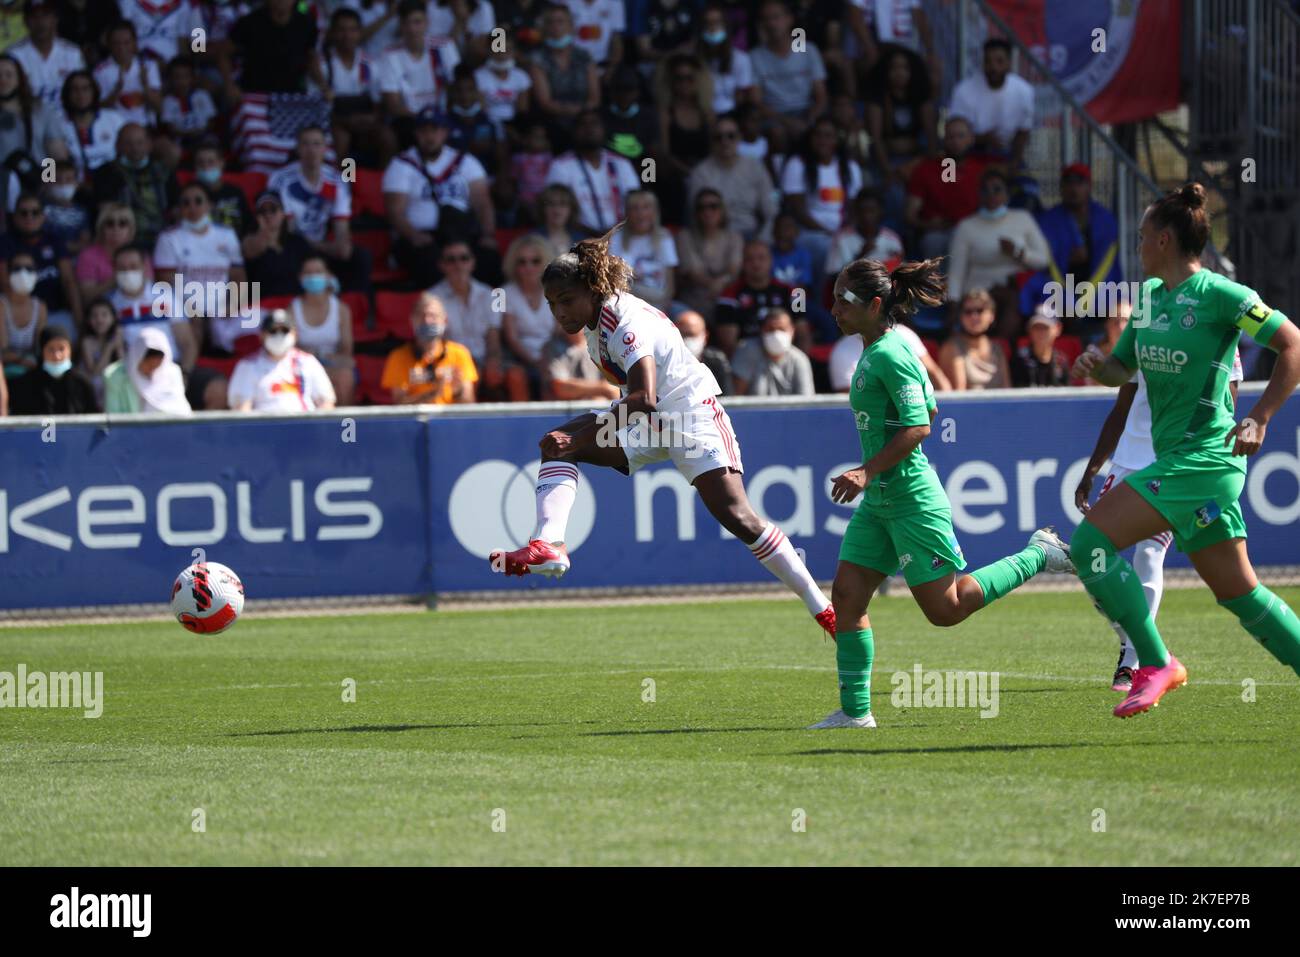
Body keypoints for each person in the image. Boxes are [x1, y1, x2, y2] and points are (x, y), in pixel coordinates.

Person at [490, 227, 838, 642]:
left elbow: (644, 397)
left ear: (590, 289)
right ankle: (549, 545)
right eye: (551, 304)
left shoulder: (622, 319)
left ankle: (824, 609)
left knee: (738, 517)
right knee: (556, 443)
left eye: (565, 300)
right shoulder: (592, 323)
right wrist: (583, 436)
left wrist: (591, 432)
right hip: (645, 423)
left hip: (690, 417)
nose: (559, 312)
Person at [808, 257, 1073, 729]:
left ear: (873, 305)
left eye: (843, 300)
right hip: (881, 503)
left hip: (909, 497)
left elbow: (920, 424)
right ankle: (855, 714)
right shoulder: (874, 350)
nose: (833, 309)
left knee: (946, 611)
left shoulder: (890, 353)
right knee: (847, 598)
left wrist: (866, 472)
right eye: (832, 298)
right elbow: (929, 400)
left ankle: (1038, 554)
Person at [1070, 182, 1300, 718]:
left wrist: (1260, 417)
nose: (1139, 246)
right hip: (1180, 463)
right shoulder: (1149, 298)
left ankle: (1156, 661)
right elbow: (1120, 371)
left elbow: (1292, 344)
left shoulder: (1225, 296)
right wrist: (1095, 366)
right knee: (1240, 593)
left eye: (1145, 237)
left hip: (1204, 460)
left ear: (1166, 241)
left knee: (1088, 546)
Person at [1077, 316, 1243, 691]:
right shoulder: (1148, 331)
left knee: (1149, 556)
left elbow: (1228, 404)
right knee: (1091, 558)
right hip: (1129, 461)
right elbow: (1121, 409)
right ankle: (1133, 633)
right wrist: (1092, 470)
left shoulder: (1220, 334)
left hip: (1177, 465)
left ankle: (1136, 659)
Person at [381, 106, 495, 287]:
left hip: (460, 233)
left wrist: (488, 234)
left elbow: (483, 203)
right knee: (432, 261)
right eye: (424, 131)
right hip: (423, 237)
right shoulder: (402, 164)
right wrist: (413, 235)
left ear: (445, 133)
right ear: (416, 134)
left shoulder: (465, 161)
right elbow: (395, 212)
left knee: (489, 257)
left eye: (435, 130)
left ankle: (486, 312)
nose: (429, 136)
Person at [1020, 163, 1124, 339]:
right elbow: (1045, 262)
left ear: (1089, 186)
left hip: (1098, 287)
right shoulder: (1048, 220)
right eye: (1068, 183)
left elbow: (1109, 264)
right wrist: (1067, 257)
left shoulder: (1105, 219)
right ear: (1061, 188)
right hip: (1057, 285)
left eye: (1079, 183)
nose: (1073, 189)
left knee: (1120, 308)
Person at [946, 167, 1050, 339]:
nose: (991, 195)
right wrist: (954, 304)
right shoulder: (966, 226)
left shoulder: (1023, 218)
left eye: (997, 189)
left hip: (1018, 288)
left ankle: (1002, 349)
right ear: (979, 194)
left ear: (1007, 193)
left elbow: (1044, 260)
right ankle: (1000, 348)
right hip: (979, 291)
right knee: (1008, 302)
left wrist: (1018, 253)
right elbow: (956, 272)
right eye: (985, 190)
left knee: (1017, 300)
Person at [267, 125, 369, 294]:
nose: (311, 150)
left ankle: (355, 307)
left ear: (325, 148)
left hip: (320, 245)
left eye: (316, 144)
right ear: (298, 149)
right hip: (291, 245)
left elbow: (341, 226)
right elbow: (288, 231)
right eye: (306, 144)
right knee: (292, 250)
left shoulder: (337, 180)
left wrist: (342, 245)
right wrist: (325, 248)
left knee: (360, 257)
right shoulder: (281, 179)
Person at [153, 181, 247, 356]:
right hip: (185, 310)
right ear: (179, 209)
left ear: (209, 205)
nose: (192, 207)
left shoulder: (227, 235)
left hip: (223, 308)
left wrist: (232, 306)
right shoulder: (168, 238)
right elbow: (165, 285)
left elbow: (239, 277)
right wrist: (192, 311)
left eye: (198, 201)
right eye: (186, 203)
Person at [779, 115, 865, 288]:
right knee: (828, 249)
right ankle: (822, 301)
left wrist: (845, 232)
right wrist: (829, 232)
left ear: (836, 140)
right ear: (810, 138)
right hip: (809, 232)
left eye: (828, 136)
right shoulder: (798, 164)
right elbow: (798, 211)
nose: (823, 140)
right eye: (818, 135)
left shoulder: (849, 167)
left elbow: (856, 208)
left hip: (842, 231)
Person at [430, 238, 519, 400]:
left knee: (516, 375)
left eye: (464, 258)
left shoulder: (492, 294)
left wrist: (493, 360)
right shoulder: (432, 298)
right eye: (451, 260)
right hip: (452, 361)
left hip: (485, 358)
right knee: (469, 375)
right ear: (442, 265)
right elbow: (437, 342)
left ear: (472, 263)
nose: (458, 264)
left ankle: (526, 424)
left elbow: (494, 337)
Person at [904, 115, 989, 260]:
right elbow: (910, 216)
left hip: (972, 230)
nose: (956, 141)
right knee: (933, 242)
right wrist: (928, 224)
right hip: (937, 233)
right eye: (950, 137)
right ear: (943, 140)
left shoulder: (982, 171)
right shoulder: (925, 170)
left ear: (971, 139)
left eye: (961, 136)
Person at [544, 109, 640, 235]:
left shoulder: (621, 163)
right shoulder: (560, 165)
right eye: (583, 124)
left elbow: (636, 203)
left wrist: (612, 234)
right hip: (577, 239)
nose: (589, 129)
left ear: (604, 129)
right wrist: (595, 236)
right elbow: (555, 209)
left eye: (594, 124)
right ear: (574, 131)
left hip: (622, 237)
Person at [685, 113, 776, 243]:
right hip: (716, 239)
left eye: (731, 136)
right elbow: (695, 217)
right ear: (712, 141)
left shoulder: (756, 168)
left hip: (751, 235)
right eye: (719, 137)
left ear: (739, 138)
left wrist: (761, 241)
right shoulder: (700, 173)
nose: (725, 141)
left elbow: (771, 210)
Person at [377, 1, 458, 146]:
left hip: (443, 115)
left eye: (417, 22)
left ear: (427, 22)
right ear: (400, 25)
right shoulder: (390, 54)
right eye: (407, 23)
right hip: (409, 120)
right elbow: (393, 104)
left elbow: (457, 87)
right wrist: (426, 121)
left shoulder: (445, 46)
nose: (412, 29)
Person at [749, 0, 827, 151]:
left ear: (789, 19)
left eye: (776, 17)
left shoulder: (808, 49)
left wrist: (810, 119)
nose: (771, 23)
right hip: (774, 116)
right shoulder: (755, 56)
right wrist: (787, 122)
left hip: (806, 111)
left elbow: (821, 96)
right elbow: (756, 102)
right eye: (766, 19)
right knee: (776, 132)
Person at [0, 192, 80, 335]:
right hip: (17, 317)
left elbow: (69, 281)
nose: (29, 217)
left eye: (35, 212)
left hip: (55, 313)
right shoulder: (5, 243)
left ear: (43, 216)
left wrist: (79, 317)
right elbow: (4, 282)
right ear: (15, 217)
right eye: (23, 213)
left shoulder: (55, 240)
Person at [948, 37, 1034, 170]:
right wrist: (981, 139)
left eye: (999, 61)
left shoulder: (1024, 91)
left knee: (1028, 189)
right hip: (970, 153)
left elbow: (1023, 133)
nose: (993, 67)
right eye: (988, 61)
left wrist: (1013, 165)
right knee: (948, 173)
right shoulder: (963, 90)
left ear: (1009, 63)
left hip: (1008, 155)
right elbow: (953, 135)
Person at [227, 308, 336, 412]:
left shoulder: (308, 362)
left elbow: (326, 404)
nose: (279, 335)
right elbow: (242, 410)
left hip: (304, 426)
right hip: (264, 429)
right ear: (262, 335)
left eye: (284, 330)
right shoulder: (247, 366)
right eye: (273, 331)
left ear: (294, 334)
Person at [89, 122, 179, 247]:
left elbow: (175, 208)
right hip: (123, 239)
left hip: (162, 236)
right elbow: (106, 211)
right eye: (128, 143)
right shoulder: (106, 172)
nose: (135, 148)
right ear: (118, 145)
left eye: (140, 143)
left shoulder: (163, 171)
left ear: (149, 144)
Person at [109, 242, 196, 370]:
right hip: (131, 372)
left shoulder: (166, 296)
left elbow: (187, 343)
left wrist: (184, 374)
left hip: (170, 369)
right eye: (122, 268)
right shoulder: (110, 305)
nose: (128, 272)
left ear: (144, 266)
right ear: (114, 270)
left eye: (133, 266)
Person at [381, 291, 477, 404]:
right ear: (412, 320)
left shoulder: (459, 354)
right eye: (421, 315)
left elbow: (469, 405)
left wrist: (458, 391)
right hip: (415, 420)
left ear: (444, 321)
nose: (427, 321)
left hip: (449, 420)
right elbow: (399, 405)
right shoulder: (398, 357)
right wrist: (434, 392)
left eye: (433, 316)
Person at [654, 53, 713, 225]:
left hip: (705, 171)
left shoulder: (707, 113)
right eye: (679, 78)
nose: (684, 83)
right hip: (676, 174)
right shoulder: (665, 113)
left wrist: (701, 173)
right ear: (672, 82)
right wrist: (689, 172)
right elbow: (664, 152)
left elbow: (713, 148)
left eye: (689, 78)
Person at [290, 255, 354, 406]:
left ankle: (345, 426)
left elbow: (346, 352)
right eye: (308, 273)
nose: (313, 276)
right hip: (303, 367)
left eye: (318, 272)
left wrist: (323, 358)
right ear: (300, 278)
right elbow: (290, 348)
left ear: (328, 276)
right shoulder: (292, 310)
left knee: (345, 377)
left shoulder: (341, 310)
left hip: (334, 365)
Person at [713, 239, 795, 356]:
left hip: (787, 355)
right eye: (749, 259)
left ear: (771, 260)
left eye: (761, 258)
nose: (756, 263)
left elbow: (803, 331)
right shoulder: (727, 295)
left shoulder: (796, 292)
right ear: (742, 263)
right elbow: (728, 343)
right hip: (746, 357)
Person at [500, 234, 558, 400]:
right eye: (522, 262)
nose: (529, 267)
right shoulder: (501, 293)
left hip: (552, 353)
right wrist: (535, 361)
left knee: (554, 374)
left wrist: (547, 360)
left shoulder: (557, 291)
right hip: (517, 356)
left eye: (535, 261)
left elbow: (561, 332)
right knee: (517, 375)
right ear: (513, 264)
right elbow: (509, 338)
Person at [527, 3, 598, 137]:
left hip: (584, 120)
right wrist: (574, 111)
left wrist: (582, 115)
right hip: (552, 122)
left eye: (560, 22)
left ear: (571, 26)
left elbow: (594, 98)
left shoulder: (584, 56)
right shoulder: (537, 59)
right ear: (544, 28)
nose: (555, 27)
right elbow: (545, 102)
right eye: (550, 22)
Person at [675, 188, 742, 321]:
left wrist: (720, 283)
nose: (708, 212)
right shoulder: (685, 236)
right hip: (691, 301)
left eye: (713, 206)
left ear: (722, 210)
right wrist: (716, 284)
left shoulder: (734, 238)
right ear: (696, 212)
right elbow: (694, 271)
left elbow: (734, 270)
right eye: (702, 207)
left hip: (726, 299)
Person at [609, 189, 679, 314]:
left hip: (660, 302)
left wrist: (663, 307)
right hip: (628, 304)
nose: (640, 214)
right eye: (635, 208)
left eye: (646, 207)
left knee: (689, 318)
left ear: (654, 212)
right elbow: (614, 281)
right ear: (627, 213)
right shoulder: (616, 239)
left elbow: (670, 282)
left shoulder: (664, 237)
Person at [7, 1, 83, 113]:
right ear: (25, 21)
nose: (40, 22)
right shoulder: (13, 55)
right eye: (35, 17)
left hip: (67, 122)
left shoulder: (72, 53)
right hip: (29, 122)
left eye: (45, 15)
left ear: (55, 19)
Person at [102, 323, 191, 415]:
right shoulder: (114, 376)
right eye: (149, 366)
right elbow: (113, 418)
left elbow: (182, 412)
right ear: (137, 359)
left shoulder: (173, 372)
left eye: (156, 367)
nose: (152, 371)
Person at [241, 190, 314, 299]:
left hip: (296, 304)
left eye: (273, 210)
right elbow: (253, 251)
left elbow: (312, 270)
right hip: (264, 306)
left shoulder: (298, 242)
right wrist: (263, 231)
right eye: (262, 211)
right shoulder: (249, 240)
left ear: (283, 213)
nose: (268, 214)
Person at [9, 324, 97, 414]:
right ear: (42, 351)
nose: (57, 355)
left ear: (70, 351)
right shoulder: (25, 385)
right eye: (51, 349)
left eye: (61, 349)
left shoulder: (82, 383)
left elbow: (93, 419)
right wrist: (50, 428)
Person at [57, 68, 124, 180]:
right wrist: (49, 184)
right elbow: (47, 160)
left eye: (85, 89)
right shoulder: (56, 123)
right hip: (73, 188)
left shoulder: (114, 119)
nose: (80, 94)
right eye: (74, 89)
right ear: (66, 94)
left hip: (114, 184)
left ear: (94, 92)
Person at [93, 18, 162, 128]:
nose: (122, 48)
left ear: (135, 43)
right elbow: (98, 109)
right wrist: (116, 91)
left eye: (127, 43)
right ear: (109, 44)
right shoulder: (100, 71)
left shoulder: (148, 66)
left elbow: (159, 107)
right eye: (116, 43)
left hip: (146, 128)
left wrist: (146, 86)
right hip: (115, 128)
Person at [730, 307, 814, 396]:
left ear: (792, 331)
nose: (776, 334)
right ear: (762, 330)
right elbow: (736, 396)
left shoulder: (799, 359)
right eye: (771, 329)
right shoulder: (747, 351)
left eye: (782, 329)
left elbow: (806, 401)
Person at [939, 288, 1010, 391]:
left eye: (980, 310)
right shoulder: (952, 347)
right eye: (968, 312)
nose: (974, 316)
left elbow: (1007, 390)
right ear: (961, 317)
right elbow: (959, 394)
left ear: (992, 315)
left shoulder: (997, 348)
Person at [826, 187, 904, 276]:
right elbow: (833, 278)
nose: (866, 216)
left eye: (872, 211)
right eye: (862, 211)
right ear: (856, 212)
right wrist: (860, 256)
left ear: (880, 212)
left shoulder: (892, 239)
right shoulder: (842, 238)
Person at [695, 3, 755, 115]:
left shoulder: (741, 59)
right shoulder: (693, 59)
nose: (712, 27)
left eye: (717, 22)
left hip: (732, 115)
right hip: (701, 115)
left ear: (726, 26)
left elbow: (741, 99)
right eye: (708, 23)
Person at [0, 250, 46, 381]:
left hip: (31, 369)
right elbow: (3, 352)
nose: (23, 273)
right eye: (17, 268)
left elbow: (40, 348)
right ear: (8, 274)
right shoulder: (1, 306)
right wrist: (22, 359)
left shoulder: (40, 307)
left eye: (29, 268)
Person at [77, 295, 123, 405]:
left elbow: (123, 366)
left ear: (113, 318)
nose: (99, 320)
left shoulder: (118, 337)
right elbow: (95, 372)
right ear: (88, 320)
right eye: (94, 316)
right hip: (93, 390)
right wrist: (110, 347)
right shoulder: (87, 342)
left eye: (104, 315)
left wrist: (119, 346)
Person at [1010, 303, 1071, 387]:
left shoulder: (1061, 361)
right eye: (1037, 327)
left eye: (1046, 328)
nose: (1041, 333)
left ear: (1058, 329)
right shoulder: (1019, 360)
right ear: (1029, 330)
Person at [674, 309, 732, 395]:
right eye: (682, 334)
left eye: (691, 335)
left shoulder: (716, 360)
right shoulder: (664, 360)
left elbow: (728, 397)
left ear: (705, 336)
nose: (686, 339)